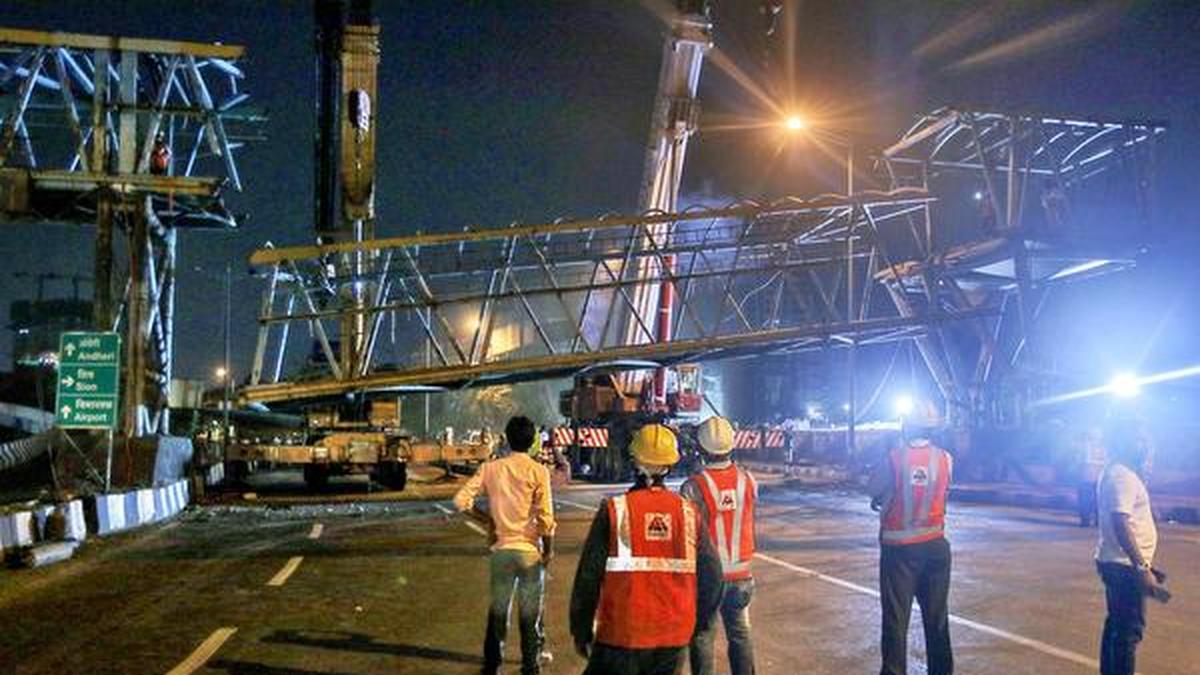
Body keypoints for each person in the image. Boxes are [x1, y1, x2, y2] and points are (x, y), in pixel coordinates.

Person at [570, 424, 724, 675]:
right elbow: (713, 576)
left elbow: (588, 577)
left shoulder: (614, 510)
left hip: (620, 636)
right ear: (670, 465)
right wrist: (699, 623)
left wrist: (581, 629)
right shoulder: (688, 513)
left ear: (634, 462)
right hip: (673, 639)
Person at [453, 416, 556, 675]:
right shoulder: (538, 471)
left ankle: (491, 664)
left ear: (507, 439)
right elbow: (545, 517)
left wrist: (486, 518)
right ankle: (530, 666)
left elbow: (461, 501)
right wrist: (549, 548)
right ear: (533, 440)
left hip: (501, 551)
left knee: (499, 610)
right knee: (529, 614)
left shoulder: (491, 469)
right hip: (530, 552)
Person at [868, 404, 953, 675]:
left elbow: (874, 488)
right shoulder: (945, 458)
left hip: (900, 552)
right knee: (937, 620)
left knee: (896, 621)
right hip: (936, 548)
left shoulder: (894, 458)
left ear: (907, 426)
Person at [682, 416, 758, 675]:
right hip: (742, 574)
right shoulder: (747, 480)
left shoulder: (694, 486)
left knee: (703, 637)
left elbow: (687, 533)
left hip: (709, 578)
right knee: (741, 635)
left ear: (701, 449)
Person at [1095, 422, 1169, 675]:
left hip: (1121, 562)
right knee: (1128, 632)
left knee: (1116, 627)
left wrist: (1147, 564)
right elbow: (1120, 522)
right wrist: (1140, 566)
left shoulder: (1120, 472)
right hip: (1124, 566)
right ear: (1127, 443)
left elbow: (1127, 524)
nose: (1146, 446)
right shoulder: (1122, 475)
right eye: (1140, 440)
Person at [1076, 427, 1106, 527]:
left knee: (1095, 501)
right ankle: (1087, 520)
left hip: (1094, 477)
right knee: (1088, 500)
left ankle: (1093, 521)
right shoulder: (1086, 445)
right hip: (1088, 477)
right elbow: (1082, 459)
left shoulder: (1100, 447)